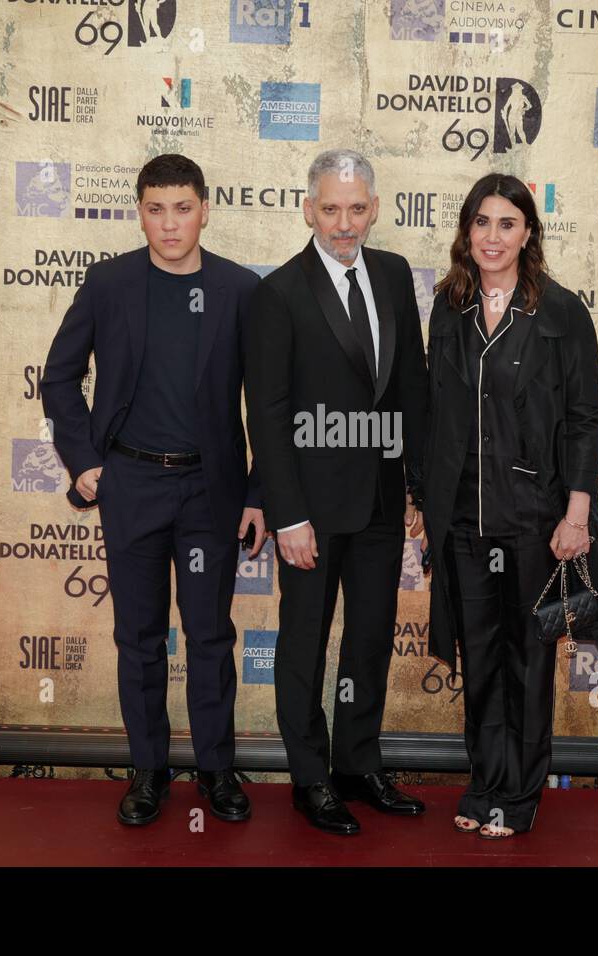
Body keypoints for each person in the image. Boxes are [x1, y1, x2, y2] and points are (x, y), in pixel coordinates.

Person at [41, 154, 266, 827]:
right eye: (155, 209)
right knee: (138, 637)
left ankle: (217, 770)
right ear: (140, 212)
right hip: (131, 483)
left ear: (205, 207)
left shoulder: (240, 290)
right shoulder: (110, 283)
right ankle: (149, 771)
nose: (169, 224)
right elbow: (59, 377)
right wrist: (82, 460)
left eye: (182, 207)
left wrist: (256, 492)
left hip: (209, 490)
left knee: (209, 637)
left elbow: (269, 402)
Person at [419, 173, 598, 839]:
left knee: (528, 660)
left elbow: (583, 416)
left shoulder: (560, 312)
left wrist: (576, 513)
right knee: (479, 658)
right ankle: (484, 785)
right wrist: (423, 501)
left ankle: (521, 792)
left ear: (528, 233)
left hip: (534, 517)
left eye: (506, 223)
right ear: (467, 231)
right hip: (466, 519)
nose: (492, 236)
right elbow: (437, 414)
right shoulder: (448, 307)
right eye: (482, 222)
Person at [244, 148, 429, 835]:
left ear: (374, 209)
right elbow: (266, 409)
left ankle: (358, 764)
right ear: (308, 211)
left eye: (356, 208)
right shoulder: (280, 293)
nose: (344, 223)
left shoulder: (392, 273)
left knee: (371, 640)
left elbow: (409, 382)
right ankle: (310, 778)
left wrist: (416, 488)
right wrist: (286, 512)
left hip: (381, 499)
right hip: (310, 512)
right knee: (304, 643)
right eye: (331, 209)